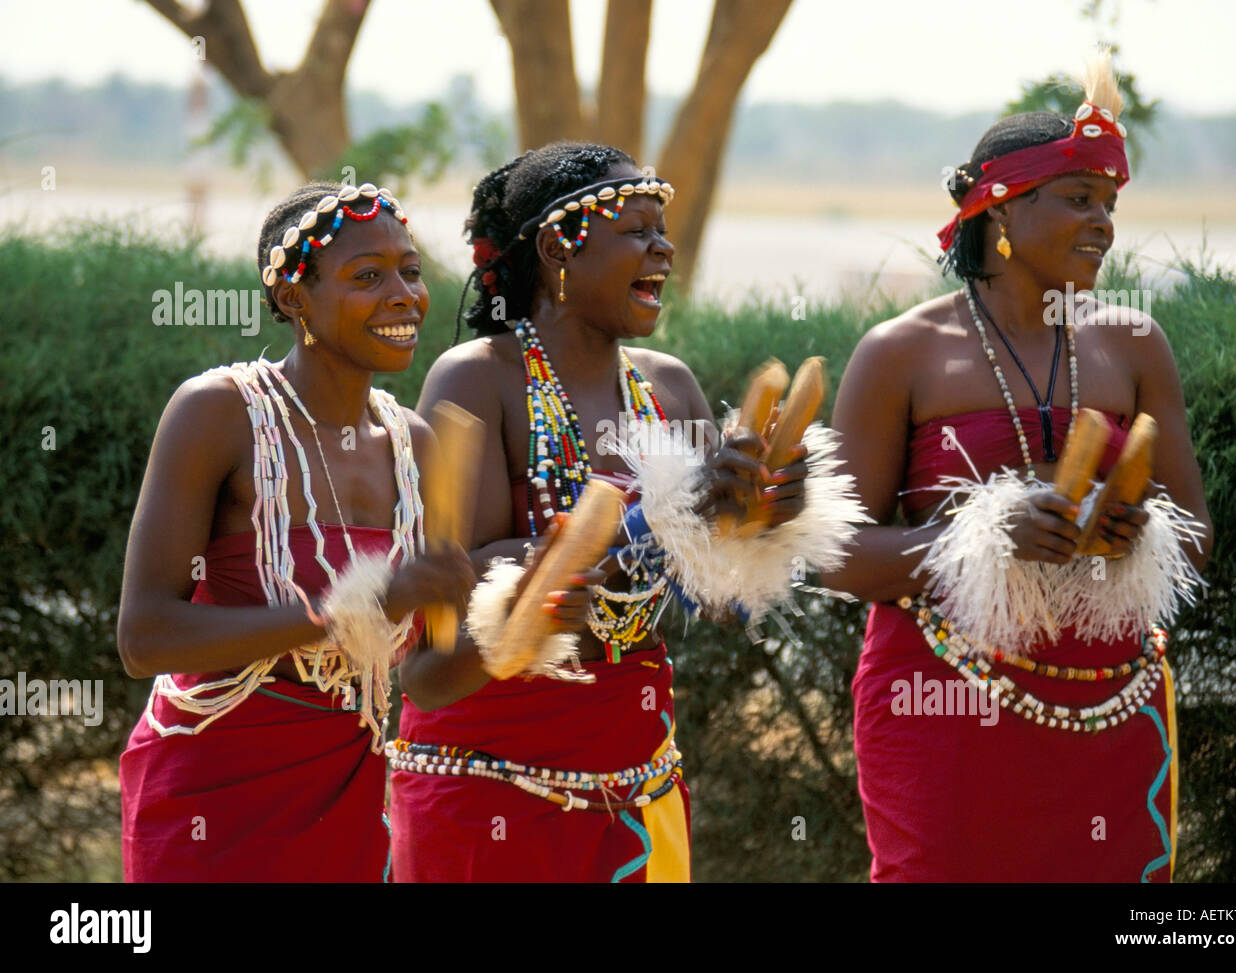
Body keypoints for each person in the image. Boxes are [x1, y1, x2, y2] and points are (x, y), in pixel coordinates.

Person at [388, 142, 858, 882]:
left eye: (662, 229)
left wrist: (765, 520)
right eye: (637, 229)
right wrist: (647, 526)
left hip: (638, 789)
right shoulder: (478, 379)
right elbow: (445, 619)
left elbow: (724, 604)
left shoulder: (668, 386)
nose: (663, 246)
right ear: (555, 248)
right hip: (487, 794)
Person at [825, 56, 1213, 882]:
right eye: (1078, 199)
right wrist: (980, 537)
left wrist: (1132, 538)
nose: (1104, 222)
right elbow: (834, 555)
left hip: (1111, 708)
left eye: (1110, 204)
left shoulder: (1135, 343)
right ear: (1001, 211)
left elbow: (1196, 540)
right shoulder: (901, 353)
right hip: (943, 713)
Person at [116, 181, 479, 882]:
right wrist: (345, 613)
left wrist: (535, 616)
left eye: (411, 270)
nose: (405, 294)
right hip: (211, 792)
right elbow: (144, 636)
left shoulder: (418, 446)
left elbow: (430, 680)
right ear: (293, 298)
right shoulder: (218, 414)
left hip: (349, 791)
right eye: (367, 277)